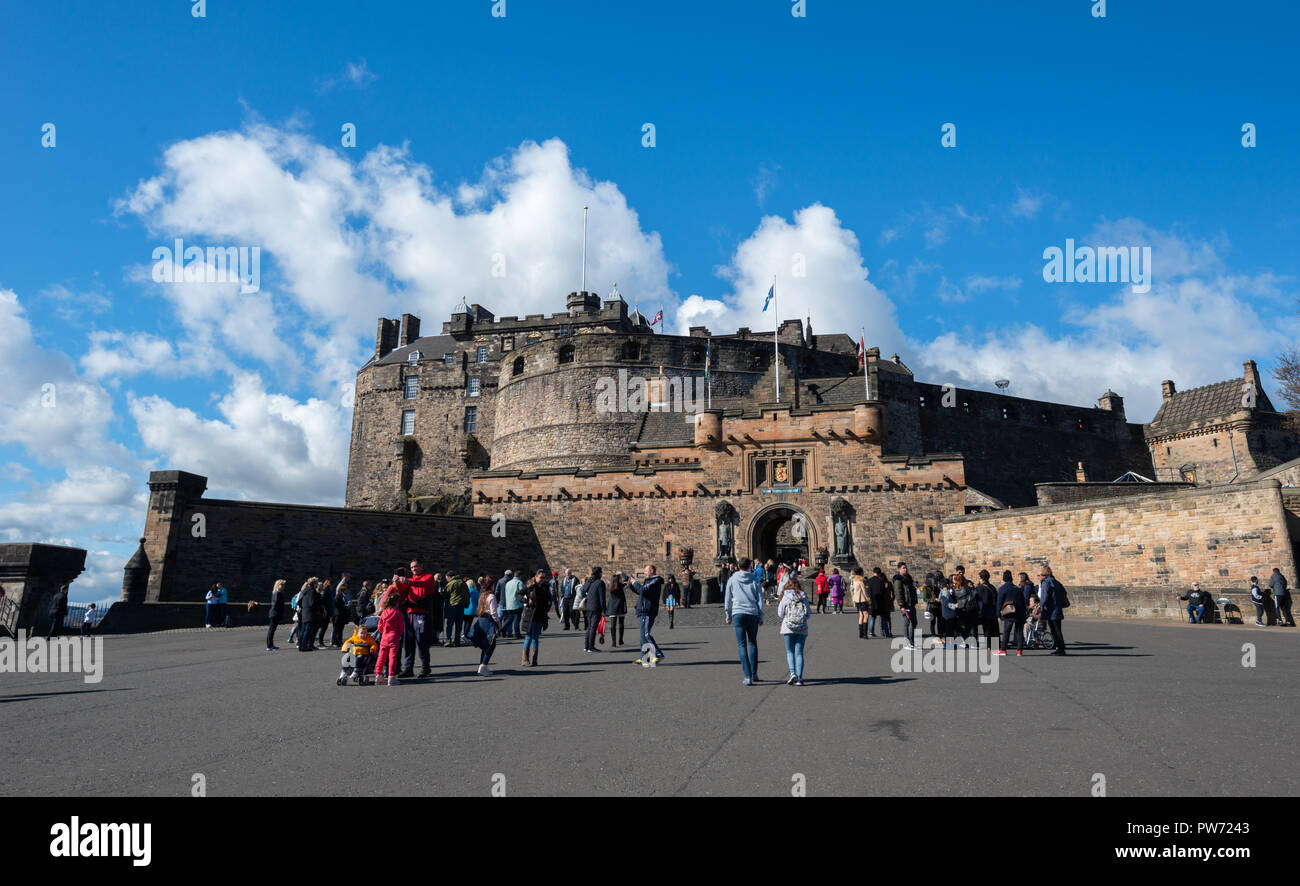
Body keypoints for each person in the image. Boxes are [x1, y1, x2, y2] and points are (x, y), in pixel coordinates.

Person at [725, 557, 764, 685]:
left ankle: (747, 676)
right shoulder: (755, 579)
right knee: (753, 643)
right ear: (749, 566)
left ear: (738, 566)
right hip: (752, 613)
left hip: (738, 613)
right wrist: (761, 615)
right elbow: (760, 599)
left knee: (742, 645)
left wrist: (728, 614)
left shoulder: (732, 579)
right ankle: (754, 674)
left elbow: (728, 598)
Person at [398, 560, 437, 678]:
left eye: (415, 566)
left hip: (421, 614)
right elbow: (401, 590)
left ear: (421, 566)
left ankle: (425, 668)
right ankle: (408, 668)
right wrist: (397, 581)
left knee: (421, 642)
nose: (414, 569)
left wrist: (408, 581)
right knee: (408, 642)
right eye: (412, 567)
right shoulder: (410, 580)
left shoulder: (429, 577)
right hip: (409, 614)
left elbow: (423, 584)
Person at [777, 576, 810, 686]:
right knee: (799, 652)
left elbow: (780, 614)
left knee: (789, 651)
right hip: (802, 627)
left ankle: (792, 673)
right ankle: (800, 678)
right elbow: (808, 614)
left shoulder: (785, 597)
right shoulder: (803, 596)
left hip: (788, 627)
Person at [632, 564, 665, 664]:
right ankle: (644, 657)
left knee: (646, 635)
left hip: (648, 611)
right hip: (644, 610)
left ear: (652, 571)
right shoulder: (649, 581)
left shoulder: (655, 580)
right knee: (642, 637)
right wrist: (631, 585)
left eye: (646, 571)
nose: (644, 572)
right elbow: (641, 592)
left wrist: (634, 582)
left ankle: (658, 654)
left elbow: (643, 590)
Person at [468, 581, 502, 676]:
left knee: (486, 645)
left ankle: (482, 666)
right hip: (489, 621)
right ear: (491, 586)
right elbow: (494, 613)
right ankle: (483, 666)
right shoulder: (491, 596)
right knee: (490, 646)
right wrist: (499, 624)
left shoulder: (482, 595)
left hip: (482, 620)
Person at [375, 588, 406, 686]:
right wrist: (399, 635)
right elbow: (401, 627)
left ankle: (378, 675)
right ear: (396, 603)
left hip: (384, 636)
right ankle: (391, 677)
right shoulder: (398, 613)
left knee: (381, 657)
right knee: (393, 658)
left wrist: (384, 632)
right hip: (394, 637)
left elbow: (379, 626)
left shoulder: (384, 613)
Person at [520, 569, 551, 667]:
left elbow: (549, 599)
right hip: (531, 615)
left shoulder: (545, 587)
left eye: (544, 578)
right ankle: (525, 660)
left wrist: (547, 608)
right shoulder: (530, 586)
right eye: (541, 577)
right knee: (529, 637)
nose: (543, 579)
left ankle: (534, 660)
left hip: (540, 615)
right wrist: (526, 600)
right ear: (536, 577)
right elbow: (518, 594)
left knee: (536, 638)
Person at [1038, 566, 1068, 655]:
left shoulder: (1046, 582)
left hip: (1051, 610)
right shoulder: (1056, 582)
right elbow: (1064, 592)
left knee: (1054, 630)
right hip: (1057, 608)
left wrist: (1041, 606)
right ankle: (1060, 648)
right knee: (1058, 629)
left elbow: (1044, 596)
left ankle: (1060, 648)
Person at [995, 570, 1025, 655]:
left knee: (1006, 631)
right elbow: (1022, 601)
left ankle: (1003, 649)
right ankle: (1019, 650)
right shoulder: (1017, 588)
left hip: (1008, 612)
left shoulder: (1002, 588)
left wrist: (998, 615)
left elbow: (999, 603)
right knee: (1019, 632)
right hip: (1019, 613)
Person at [582, 566, 607, 653]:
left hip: (588, 606)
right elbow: (602, 598)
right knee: (593, 627)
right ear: (599, 573)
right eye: (601, 572)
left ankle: (587, 646)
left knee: (589, 626)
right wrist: (604, 610)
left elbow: (583, 590)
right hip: (596, 607)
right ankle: (591, 647)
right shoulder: (600, 583)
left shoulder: (590, 581)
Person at [892, 563, 917, 648]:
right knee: (907, 623)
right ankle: (907, 642)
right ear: (899, 569)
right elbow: (898, 593)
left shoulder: (908, 578)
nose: (905, 569)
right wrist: (901, 605)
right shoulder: (898, 580)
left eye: (906, 568)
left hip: (911, 603)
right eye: (903, 568)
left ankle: (911, 641)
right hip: (905, 604)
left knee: (914, 623)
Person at [443, 572, 470, 647]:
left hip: (453, 605)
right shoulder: (463, 583)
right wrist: (467, 604)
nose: (447, 580)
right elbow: (467, 594)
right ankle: (457, 641)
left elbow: (445, 594)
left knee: (450, 623)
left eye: (447, 578)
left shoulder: (451, 583)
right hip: (461, 606)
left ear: (449, 577)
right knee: (459, 624)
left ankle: (448, 640)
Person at [974, 569, 998, 650]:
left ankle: (988, 646)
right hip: (993, 610)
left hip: (985, 610)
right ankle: (995, 645)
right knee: (994, 628)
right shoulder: (992, 587)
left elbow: (975, 598)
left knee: (987, 629)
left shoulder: (980, 588)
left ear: (982, 578)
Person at [867, 567, 893, 638]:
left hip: (873, 601)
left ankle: (871, 632)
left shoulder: (869, 581)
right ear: (879, 573)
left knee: (872, 617)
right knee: (883, 617)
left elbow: (868, 592)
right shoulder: (881, 581)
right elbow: (883, 591)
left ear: (873, 572)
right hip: (881, 602)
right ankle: (886, 632)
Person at [605, 570, 628, 647]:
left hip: (612, 607)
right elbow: (627, 578)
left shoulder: (610, 587)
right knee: (621, 624)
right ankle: (620, 640)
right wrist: (621, 573)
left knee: (613, 625)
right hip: (620, 606)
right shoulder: (621, 586)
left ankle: (613, 642)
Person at [296, 578, 320, 652]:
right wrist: (316, 609)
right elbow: (312, 603)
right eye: (316, 583)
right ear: (313, 583)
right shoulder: (312, 591)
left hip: (304, 612)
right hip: (310, 612)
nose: (317, 584)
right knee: (307, 630)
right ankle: (304, 646)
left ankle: (301, 646)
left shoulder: (305, 590)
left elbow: (299, 601)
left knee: (303, 630)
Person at [503, 570, 527, 640]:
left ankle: (502, 629)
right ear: (520, 576)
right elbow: (523, 592)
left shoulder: (508, 583)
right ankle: (517, 634)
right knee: (517, 620)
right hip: (517, 604)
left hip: (509, 604)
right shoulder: (519, 582)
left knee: (510, 619)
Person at [267, 578, 287, 651]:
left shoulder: (277, 593)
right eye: (282, 585)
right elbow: (275, 605)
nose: (283, 586)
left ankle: (271, 644)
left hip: (274, 613)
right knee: (271, 630)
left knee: (272, 630)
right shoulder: (277, 593)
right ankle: (269, 645)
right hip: (274, 614)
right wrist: (278, 614)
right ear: (278, 585)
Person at [850, 567, 870, 639]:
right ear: (861, 572)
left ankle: (860, 633)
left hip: (857, 600)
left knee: (861, 615)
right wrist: (868, 599)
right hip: (862, 599)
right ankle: (865, 634)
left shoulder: (854, 580)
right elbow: (864, 591)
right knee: (866, 615)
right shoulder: (861, 581)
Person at [331, 579, 350, 647]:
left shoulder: (342, 597)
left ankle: (339, 641)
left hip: (341, 616)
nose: (347, 591)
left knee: (340, 629)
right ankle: (334, 642)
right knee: (336, 629)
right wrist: (345, 606)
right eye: (345, 590)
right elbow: (338, 605)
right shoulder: (338, 597)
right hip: (337, 616)